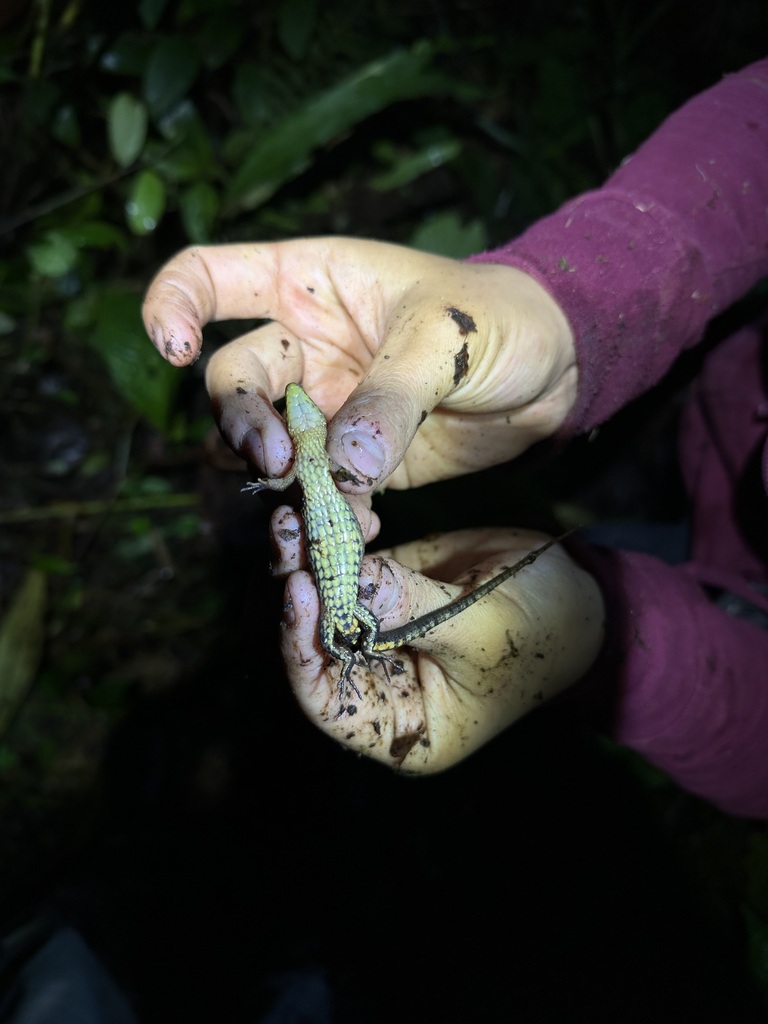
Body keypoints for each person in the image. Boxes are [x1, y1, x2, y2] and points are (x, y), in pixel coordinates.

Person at [142, 57, 768, 818]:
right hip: (728, 423)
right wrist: (558, 312)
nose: (303, 408)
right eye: (302, 411)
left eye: (301, 411)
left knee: (356, 589)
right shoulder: (310, 453)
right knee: (368, 576)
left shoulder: (307, 461)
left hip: (721, 657)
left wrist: (609, 642)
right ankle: (625, 541)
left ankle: (626, 569)